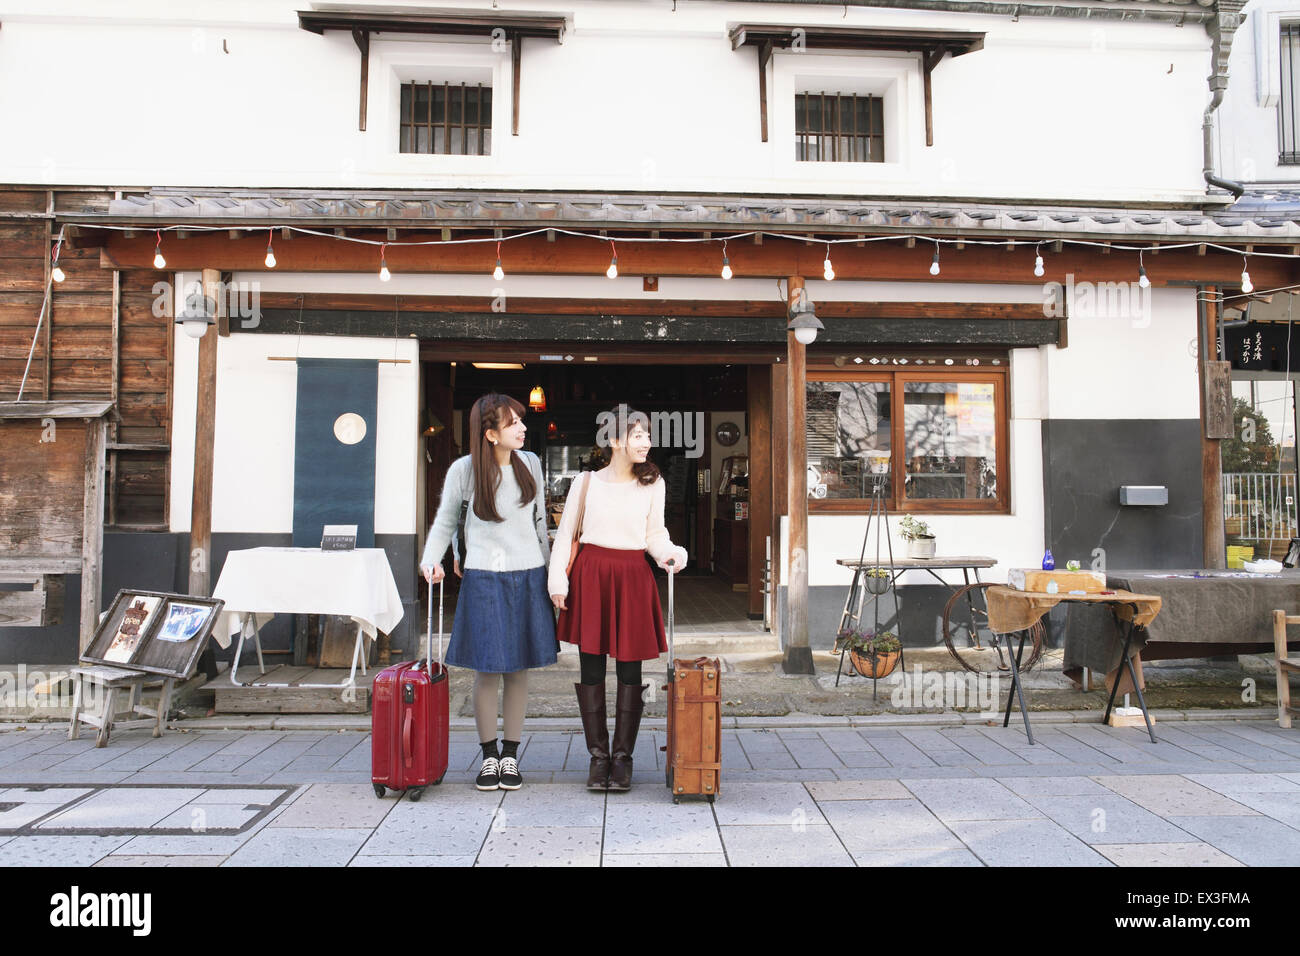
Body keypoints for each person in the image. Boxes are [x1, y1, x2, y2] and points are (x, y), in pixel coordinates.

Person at [420, 394, 555, 791]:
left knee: (518, 669)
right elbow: (446, 520)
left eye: (521, 421)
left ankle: (511, 756)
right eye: (514, 423)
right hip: (484, 576)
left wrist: (552, 575)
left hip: (529, 572)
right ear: (491, 433)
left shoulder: (530, 463)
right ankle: (489, 757)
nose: (523, 428)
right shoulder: (465, 470)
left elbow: (538, 520)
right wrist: (432, 560)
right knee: (488, 669)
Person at [549, 406, 687, 792]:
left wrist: (670, 555)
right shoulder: (586, 482)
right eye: (638, 435)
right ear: (614, 441)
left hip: (632, 576)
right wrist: (557, 581)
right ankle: (598, 758)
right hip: (591, 573)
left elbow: (655, 534)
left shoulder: (652, 483)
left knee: (631, 671)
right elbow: (565, 537)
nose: (646, 442)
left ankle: (622, 759)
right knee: (590, 669)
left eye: (647, 436)